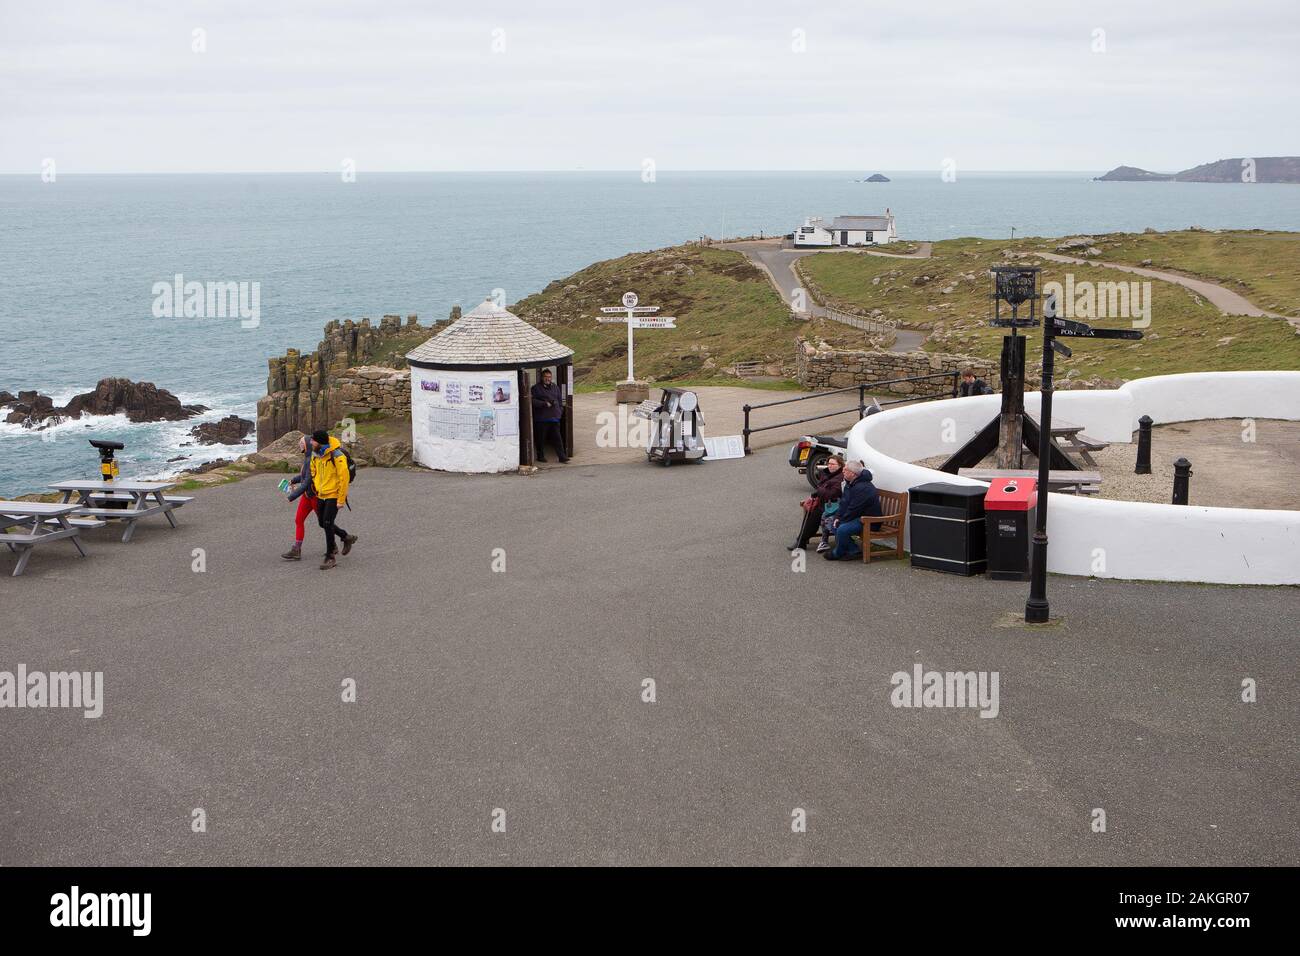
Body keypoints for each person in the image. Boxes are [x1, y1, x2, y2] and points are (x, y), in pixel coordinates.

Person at [309, 429, 357, 570]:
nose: (311, 442)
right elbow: (313, 471)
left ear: (320, 442)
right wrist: (316, 487)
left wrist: (341, 499)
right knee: (321, 523)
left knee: (328, 523)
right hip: (321, 494)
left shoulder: (337, 455)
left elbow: (344, 478)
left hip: (334, 494)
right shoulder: (316, 454)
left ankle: (330, 556)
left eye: (313, 440)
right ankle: (345, 536)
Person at [825, 459, 883, 561]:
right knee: (834, 523)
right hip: (858, 517)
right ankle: (854, 550)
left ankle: (837, 553)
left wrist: (841, 521)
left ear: (852, 473)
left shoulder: (863, 487)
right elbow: (844, 503)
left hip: (870, 520)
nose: (843, 471)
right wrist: (838, 517)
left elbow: (854, 509)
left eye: (845, 470)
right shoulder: (850, 483)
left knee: (842, 529)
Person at [788, 454, 844, 554]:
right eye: (829, 463)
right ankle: (801, 540)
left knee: (815, 515)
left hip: (834, 505)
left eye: (833, 464)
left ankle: (801, 541)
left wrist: (819, 490)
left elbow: (832, 494)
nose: (830, 466)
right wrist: (820, 490)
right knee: (810, 512)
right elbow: (822, 489)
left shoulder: (840, 477)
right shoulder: (826, 474)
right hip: (825, 503)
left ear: (840, 465)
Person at [281, 435, 319, 561]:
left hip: (314, 495)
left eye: (302, 443)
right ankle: (296, 549)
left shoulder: (311, 459)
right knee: (298, 520)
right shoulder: (308, 458)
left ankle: (342, 537)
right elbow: (304, 476)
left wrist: (291, 496)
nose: (300, 445)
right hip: (307, 495)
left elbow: (307, 482)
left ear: (307, 445)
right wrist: (293, 480)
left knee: (325, 523)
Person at [530, 368, 568, 462]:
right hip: (542, 418)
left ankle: (562, 457)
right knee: (541, 439)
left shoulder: (555, 387)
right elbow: (532, 400)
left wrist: (559, 412)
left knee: (557, 438)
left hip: (554, 418)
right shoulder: (536, 388)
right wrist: (544, 403)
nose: (548, 379)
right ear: (542, 378)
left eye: (549, 377)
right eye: (546, 377)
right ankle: (540, 456)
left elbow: (560, 401)